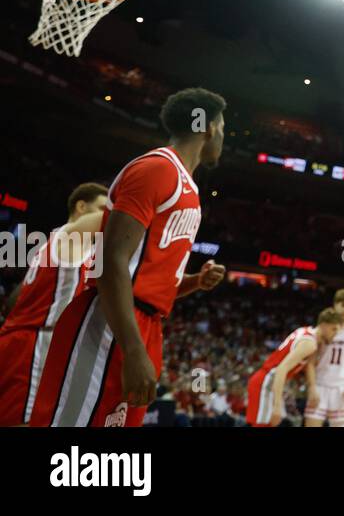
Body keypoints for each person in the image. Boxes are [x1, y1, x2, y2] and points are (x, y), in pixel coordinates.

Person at [30, 88, 229, 428]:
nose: (224, 136)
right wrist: (134, 349)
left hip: (145, 324)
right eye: (223, 127)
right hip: (112, 323)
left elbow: (145, 279)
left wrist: (193, 283)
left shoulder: (190, 189)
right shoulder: (157, 169)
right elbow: (110, 260)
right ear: (208, 127)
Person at [0, 183, 109, 426]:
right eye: (102, 208)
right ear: (81, 207)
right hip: (34, 344)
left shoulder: (64, 246)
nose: (107, 213)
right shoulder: (70, 235)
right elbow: (118, 217)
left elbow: (14, 299)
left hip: (24, 340)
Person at [247, 309, 344, 428]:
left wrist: (312, 388)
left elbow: (308, 365)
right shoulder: (310, 344)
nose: (335, 334)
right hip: (266, 382)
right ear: (323, 325)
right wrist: (277, 405)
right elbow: (281, 369)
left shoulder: (305, 331)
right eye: (334, 329)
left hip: (266, 381)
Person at [306, 288, 344, 428]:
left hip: (343, 387)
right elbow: (310, 362)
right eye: (343, 305)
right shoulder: (324, 326)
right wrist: (311, 387)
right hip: (320, 384)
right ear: (335, 304)